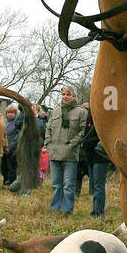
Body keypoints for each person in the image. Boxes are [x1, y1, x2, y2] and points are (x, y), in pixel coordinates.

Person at [44, 86, 87, 214]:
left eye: (68, 94)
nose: (65, 96)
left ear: (74, 96)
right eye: (63, 94)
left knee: (68, 185)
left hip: (70, 154)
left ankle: (67, 210)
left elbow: (83, 131)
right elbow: (48, 129)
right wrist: (48, 143)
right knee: (56, 184)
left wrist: (72, 143)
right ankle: (55, 208)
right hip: (54, 152)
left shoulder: (81, 112)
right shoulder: (55, 111)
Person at [81, 108, 111, 217]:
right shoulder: (89, 119)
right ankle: (94, 210)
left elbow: (101, 137)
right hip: (90, 157)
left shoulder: (103, 119)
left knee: (99, 185)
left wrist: (86, 142)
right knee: (94, 184)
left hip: (101, 158)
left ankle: (98, 212)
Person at [2, 105, 23, 187]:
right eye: (8, 113)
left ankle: (12, 183)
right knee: (3, 166)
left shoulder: (17, 123)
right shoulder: (4, 122)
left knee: (12, 167)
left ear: (15, 113)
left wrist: (12, 146)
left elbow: (17, 135)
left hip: (13, 148)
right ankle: (5, 181)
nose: (10, 114)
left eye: (12, 113)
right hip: (3, 148)